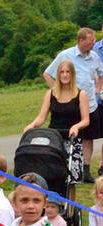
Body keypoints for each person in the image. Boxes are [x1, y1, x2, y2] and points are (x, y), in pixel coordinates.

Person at [43, 29, 103, 183]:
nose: (94, 42)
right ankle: (63, 168)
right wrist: (57, 92)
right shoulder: (66, 55)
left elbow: (101, 74)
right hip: (70, 104)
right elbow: (48, 74)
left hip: (89, 103)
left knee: (88, 138)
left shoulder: (94, 56)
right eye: (91, 40)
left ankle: (86, 170)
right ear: (81, 40)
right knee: (67, 138)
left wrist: (98, 89)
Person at [24, 58, 88, 200]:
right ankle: (50, 203)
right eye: (62, 72)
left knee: (70, 179)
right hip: (54, 139)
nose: (65, 75)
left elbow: (85, 120)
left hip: (72, 139)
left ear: (72, 74)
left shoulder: (80, 94)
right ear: (58, 75)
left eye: (68, 72)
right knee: (51, 172)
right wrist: (32, 125)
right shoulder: (51, 94)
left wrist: (76, 126)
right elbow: (41, 118)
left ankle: (70, 206)